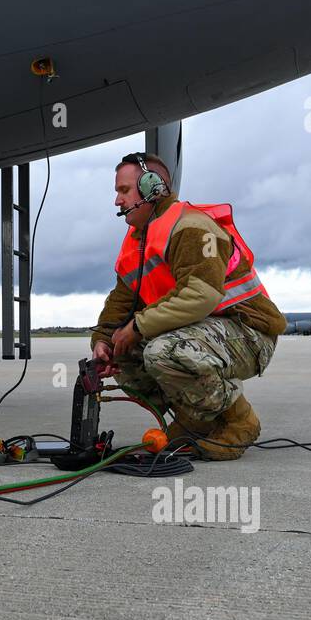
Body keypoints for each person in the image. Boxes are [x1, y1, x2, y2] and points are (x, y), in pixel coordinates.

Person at [90, 152, 286, 459]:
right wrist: (103, 340)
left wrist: (138, 327)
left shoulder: (193, 227)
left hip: (249, 334)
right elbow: (120, 302)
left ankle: (239, 421)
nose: (117, 201)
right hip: (204, 336)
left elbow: (202, 295)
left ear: (153, 188)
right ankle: (194, 420)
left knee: (163, 352)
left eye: (124, 191)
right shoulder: (137, 242)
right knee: (123, 352)